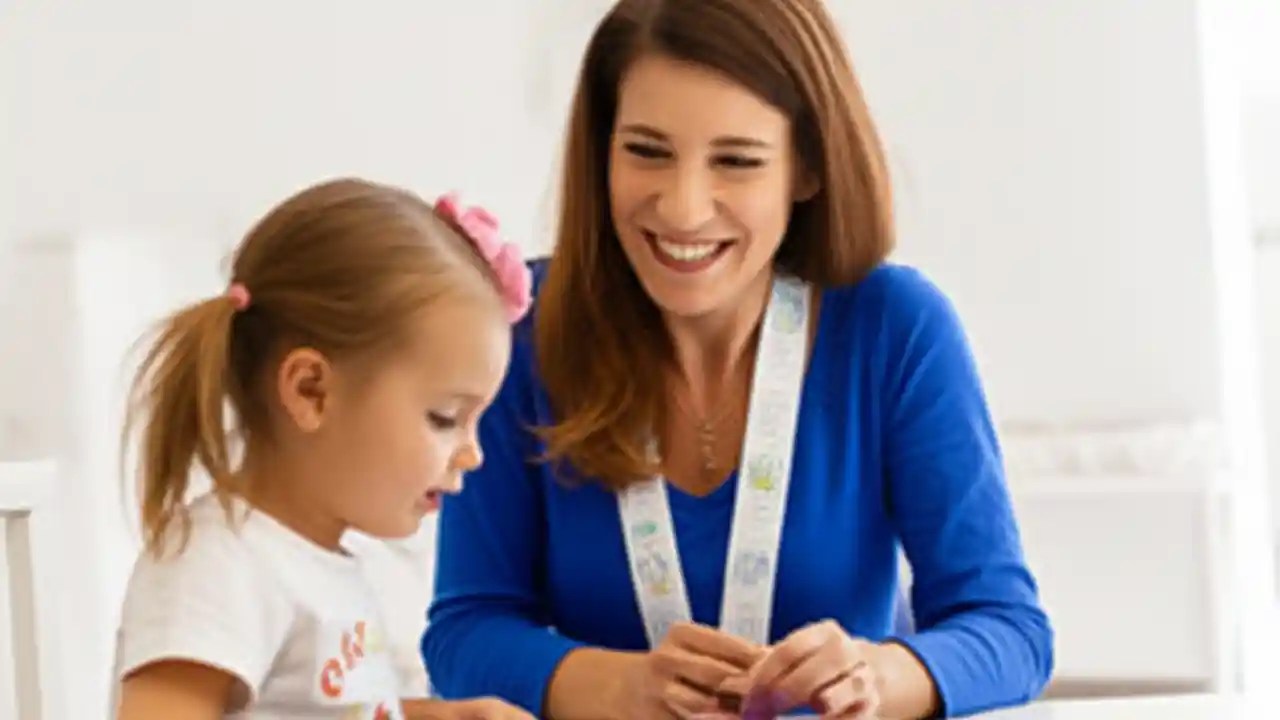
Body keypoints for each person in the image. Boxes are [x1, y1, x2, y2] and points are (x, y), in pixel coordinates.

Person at [423, 0, 1055, 718]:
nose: (685, 208)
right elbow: (463, 634)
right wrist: (622, 687)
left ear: (808, 168)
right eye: (646, 151)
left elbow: (1010, 631)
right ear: (601, 150)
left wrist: (875, 677)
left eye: (737, 161)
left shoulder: (895, 328)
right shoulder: (519, 328)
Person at [112, 178, 536, 719]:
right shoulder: (219, 565)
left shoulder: (315, 562)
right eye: (445, 418)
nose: (471, 453)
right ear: (311, 389)